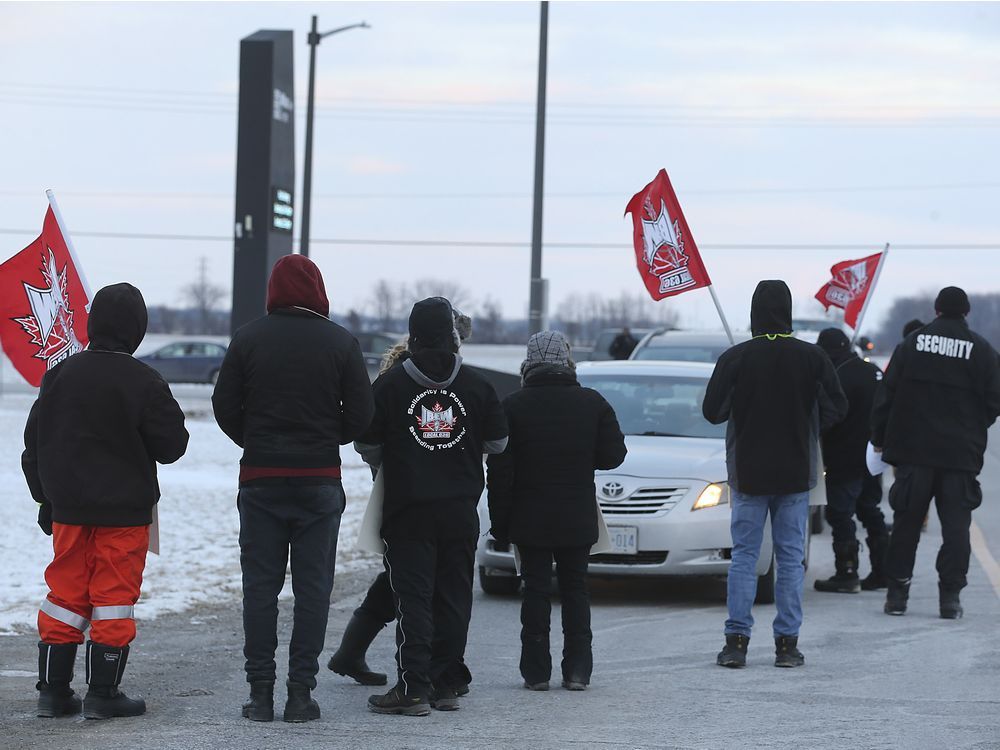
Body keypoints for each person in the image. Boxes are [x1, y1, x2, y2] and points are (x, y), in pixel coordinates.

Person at [212, 255, 374, 723]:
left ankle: (260, 694)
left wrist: (256, 439)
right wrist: (327, 439)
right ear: (318, 290)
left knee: (259, 590)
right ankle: (300, 694)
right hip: (319, 481)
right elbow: (362, 414)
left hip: (260, 480)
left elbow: (224, 406)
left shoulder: (247, 339)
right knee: (313, 590)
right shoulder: (341, 342)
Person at [22, 283, 189, 720]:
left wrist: (46, 498)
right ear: (137, 330)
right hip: (124, 513)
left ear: (92, 324)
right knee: (113, 596)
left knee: (65, 593)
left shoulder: (59, 375)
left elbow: (33, 445)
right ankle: (103, 693)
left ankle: (54, 692)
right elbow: (172, 445)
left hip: (68, 512)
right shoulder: (144, 381)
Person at [358, 297, 507, 716]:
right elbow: (499, 443)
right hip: (460, 510)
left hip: (407, 511)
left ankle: (412, 689)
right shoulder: (478, 385)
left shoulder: (389, 386)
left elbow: (366, 442)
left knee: (414, 600)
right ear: (453, 335)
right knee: (454, 598)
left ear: (413, 335)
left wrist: (391, 460)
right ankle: (447, 683)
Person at [327, 310, 474, 693]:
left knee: (406, 584)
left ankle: (363, 656)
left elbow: (370, 439)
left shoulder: (406, 377)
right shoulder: (413, 380)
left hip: (407, 498)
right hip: (425, 497)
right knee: (420, 591)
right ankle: (431, 678)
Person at [702, 280, 847, 669]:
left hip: (749, 471)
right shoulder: (813, 357)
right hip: (796, 471)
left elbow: (712, 412)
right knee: (789, 558)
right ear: (788, 311)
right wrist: (808, 426)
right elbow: (838, 407)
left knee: (744, 558)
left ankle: (736, 643)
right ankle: (787, 645)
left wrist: (741, 405)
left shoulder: (736, 358)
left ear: (754, 312)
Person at [487, 331, 626, 691]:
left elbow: (499, 471)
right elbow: (614, 456)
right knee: (576, 589)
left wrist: (500, 524)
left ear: (528, 364)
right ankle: (578, 670)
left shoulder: (513, 405)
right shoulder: (592, 403)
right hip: (576, 514)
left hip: (528, 514)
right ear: (568, 362)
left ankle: (536, 672)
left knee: (534, 589)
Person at [871, 286, 1000, 619]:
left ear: (937, 310)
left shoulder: (912, 344)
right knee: (957, 529)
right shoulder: (983, 351)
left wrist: (879, 437)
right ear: (966, 312)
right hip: (959, 456)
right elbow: (994, 401)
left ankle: (897, 594)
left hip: (915, 453)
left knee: (906, 525)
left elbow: (887, 394)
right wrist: (973, 427)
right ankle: (950, 598)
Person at [813, 328, 889, 593]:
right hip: (874, 455)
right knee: (870, 510)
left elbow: (829, 416)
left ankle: (847, 572)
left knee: (840, 514)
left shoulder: (836, 377)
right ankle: (883, 571)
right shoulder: (873, 372)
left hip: (843, 456)